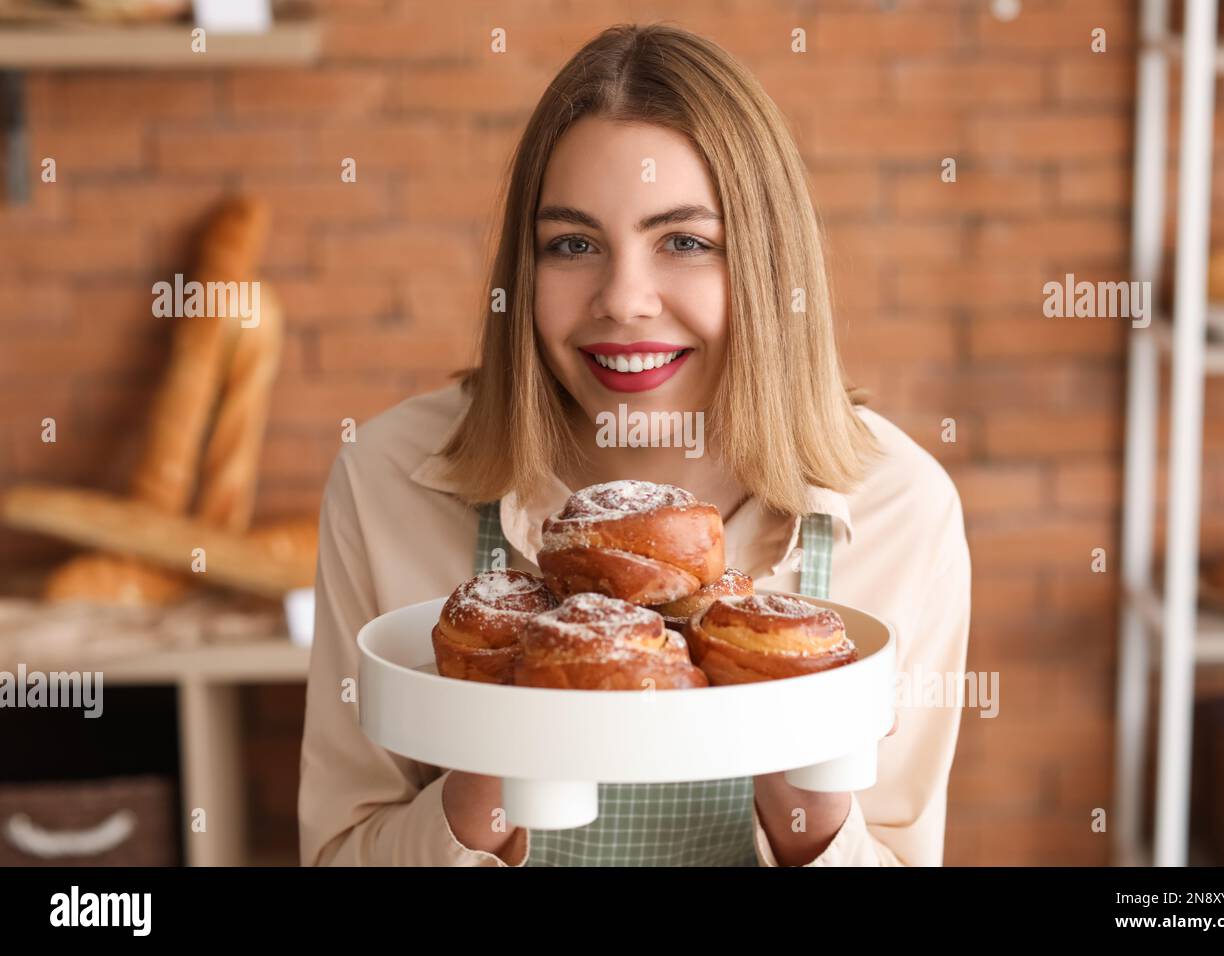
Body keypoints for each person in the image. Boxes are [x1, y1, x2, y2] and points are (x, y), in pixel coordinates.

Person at [299, 22, 970, 867]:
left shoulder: (899, 508)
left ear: (766, 265)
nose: (624, 299)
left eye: (685, 242)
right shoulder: (388, 482)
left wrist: (815, 818)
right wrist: (491, 761)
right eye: (572, 244)